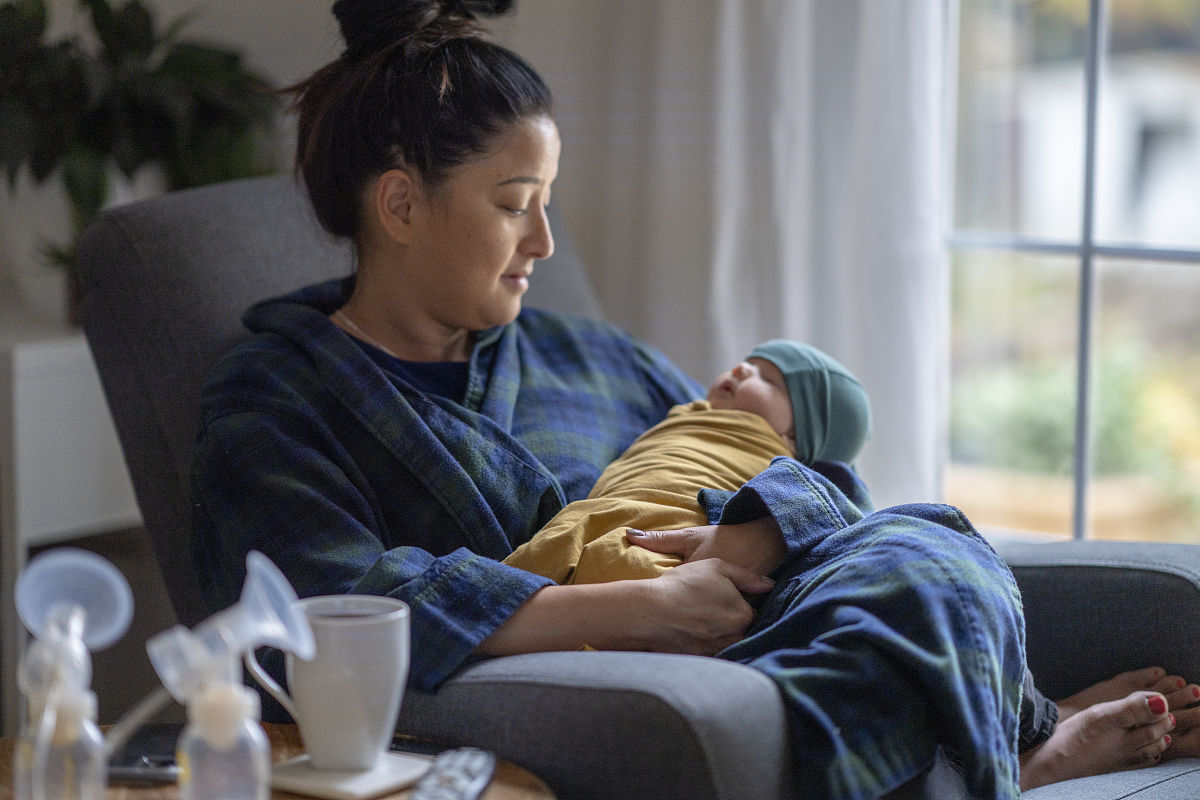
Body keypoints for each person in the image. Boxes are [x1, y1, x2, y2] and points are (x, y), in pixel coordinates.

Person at [188, 1, 1195, 796]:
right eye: (513, 206)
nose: (544, 243)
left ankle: (1000, 735)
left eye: (547, 205)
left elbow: (769, 459)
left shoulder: (592, 356)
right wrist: (639, 606)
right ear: (401, 203)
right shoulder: (275, 396)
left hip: (755, 612)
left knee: (927, 541)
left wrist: (749, 534)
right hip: (598, 682)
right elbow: (323, 609)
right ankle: (1012, 758)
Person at [503, 339, 874, 584]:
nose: (741, 370)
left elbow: (838, 509)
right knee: (543, 554)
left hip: (677, 525)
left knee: (635, 565)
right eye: (748, 363)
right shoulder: (688, 413)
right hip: (604, 509)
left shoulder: (787, 463)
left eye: (769, 380)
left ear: (794, 438)